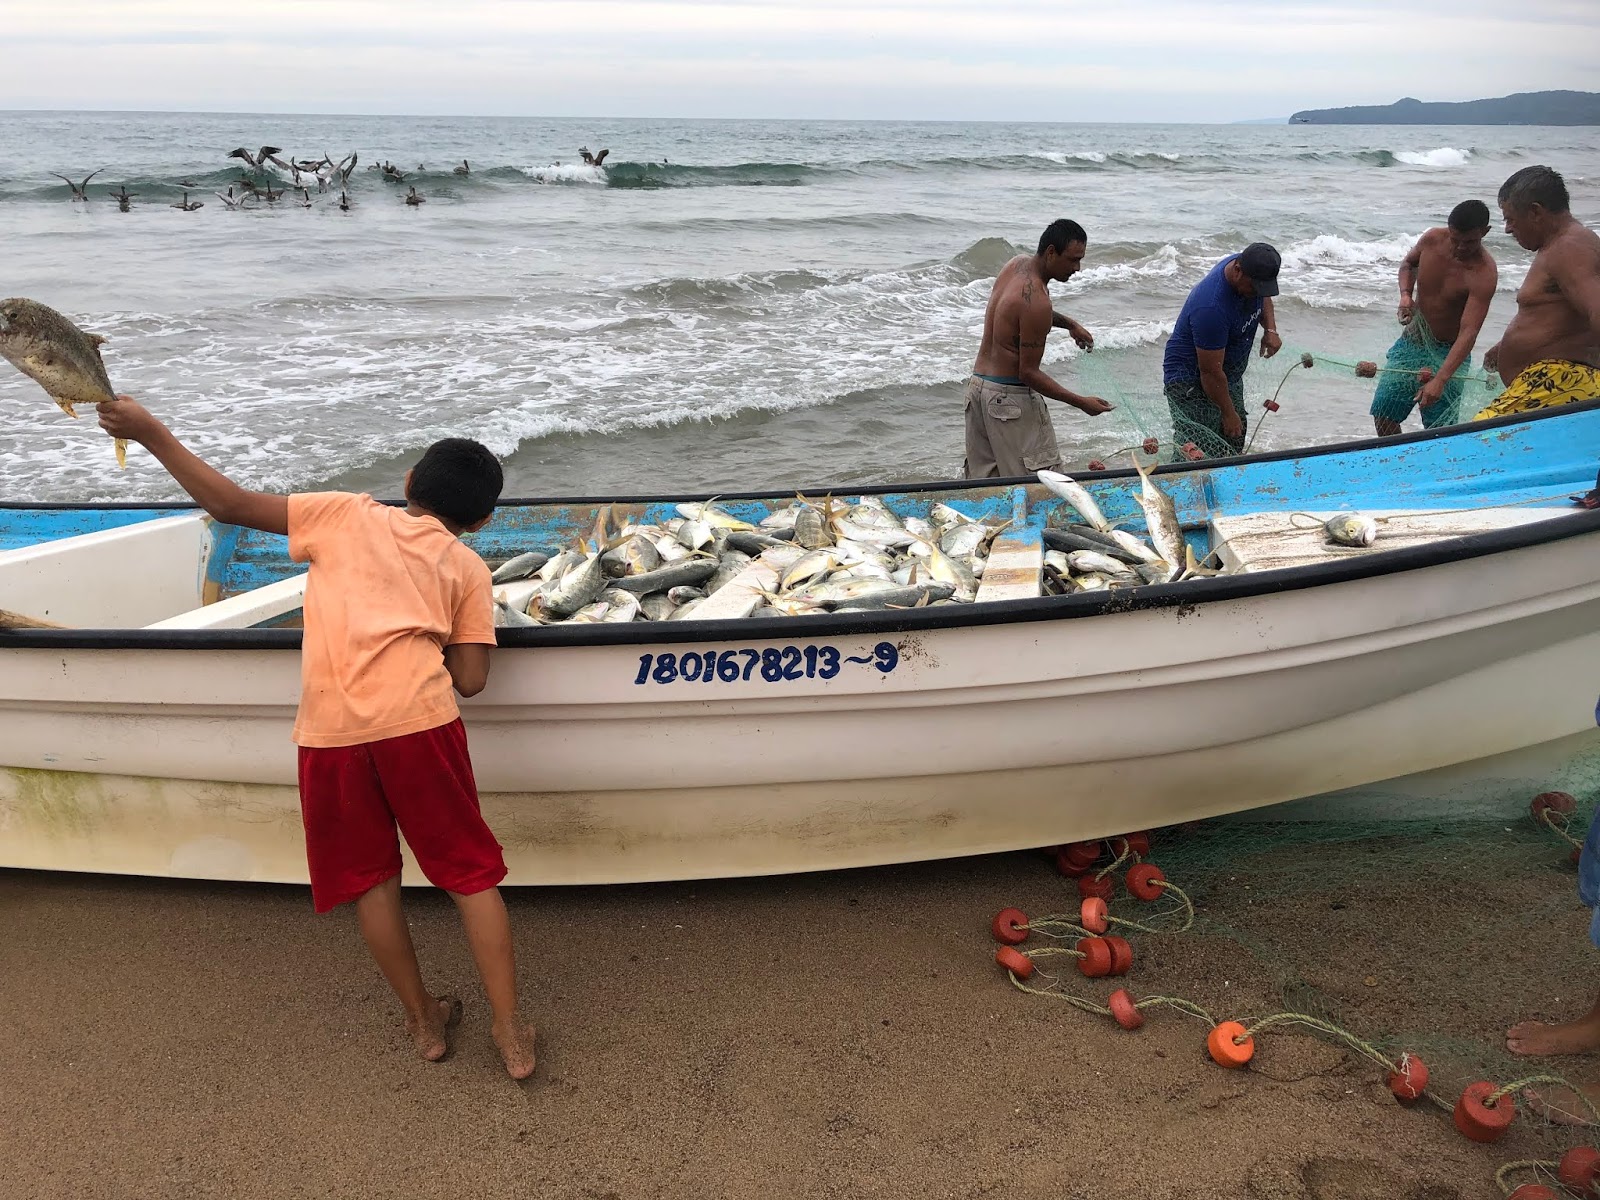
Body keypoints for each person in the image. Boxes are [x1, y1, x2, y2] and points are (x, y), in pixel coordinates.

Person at [94, 397, 537, 1081]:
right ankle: (510, 1032)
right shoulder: (469, 569)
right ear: (480, 522)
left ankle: (424, 1020)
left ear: (410, 481)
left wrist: (151, 432)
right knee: (470, 877)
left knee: (373, 882)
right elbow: (472, 680)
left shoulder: (343, 513)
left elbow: (232, 505)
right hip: (419, 729)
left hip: (330, 735)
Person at [963, 218, 1113, 478]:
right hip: (1008, 403)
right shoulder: (1038, 302)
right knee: (1042, 483)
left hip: (978, 393)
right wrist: (1081, 403)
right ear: (1051, 252)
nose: (1077, 268)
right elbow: (1028, 373)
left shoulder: (1016, 265)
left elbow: (1018, 312)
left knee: (986, 484)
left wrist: (1070, 324)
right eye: (1073, 259)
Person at [1475, 165, 1600, 420]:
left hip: (1559, 380)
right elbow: (1562, 313)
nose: (1508, 229)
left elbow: (1596, 308)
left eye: (1509, 218)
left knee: (1474, 439)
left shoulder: (1569, 247)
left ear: (1535, 212)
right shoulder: (1561, 245)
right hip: (1554, 382)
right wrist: (1505, 347)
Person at [1369, 200, 1498, 436]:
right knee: (1383, 416)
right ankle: (1404, 464)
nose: (1460, 247)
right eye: (1455, 239)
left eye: (1469, 242)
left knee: (1439, 431)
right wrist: (1406, 296)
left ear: (1485, 232)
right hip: (1411, 342)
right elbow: (1408, 264)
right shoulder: (1432, 239)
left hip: (1447, 354)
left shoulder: (1484, 273)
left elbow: (1469, 332)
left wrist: (1441, 378)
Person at [1162, 243, 1283, 458]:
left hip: (1225, 372)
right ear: (1237, 271)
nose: (1258, 294)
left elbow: (1264, 295)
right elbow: (1209, 373)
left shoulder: (1250, 266)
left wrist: (1270, 329)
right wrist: (1228, 413)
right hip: (1190, 379)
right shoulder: (1211, 308)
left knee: (1233, 439)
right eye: (1255, 288)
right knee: (1195, 451)